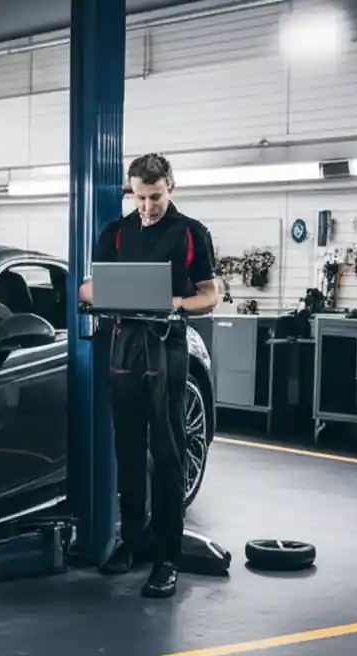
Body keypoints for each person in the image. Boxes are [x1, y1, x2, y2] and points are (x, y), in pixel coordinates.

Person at [78, 153, 220, 598]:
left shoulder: (191, 233)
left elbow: (210, 296)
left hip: (166, 345)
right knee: (129, 448)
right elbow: (87, 287)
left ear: (171, 187)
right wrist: (104, 293)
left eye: (154, 197)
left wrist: (172, 303)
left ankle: (167, 556)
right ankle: (134, 542)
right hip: (123, 345)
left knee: (168, 450)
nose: (147, 207)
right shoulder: (115, 234)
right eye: (139, 197)